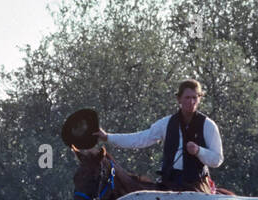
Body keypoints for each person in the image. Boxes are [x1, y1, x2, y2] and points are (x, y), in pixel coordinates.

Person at [95, 79, 223, 191]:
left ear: (199, 99)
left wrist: (199, 151)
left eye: (195, 97)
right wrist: (108, 137)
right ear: (179, 99)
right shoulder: (166, 123)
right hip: (169, 183)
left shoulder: (208, 125)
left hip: (197, 184)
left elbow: (217, 159)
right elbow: (140, 139)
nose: (191, 102)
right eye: (187, 97)